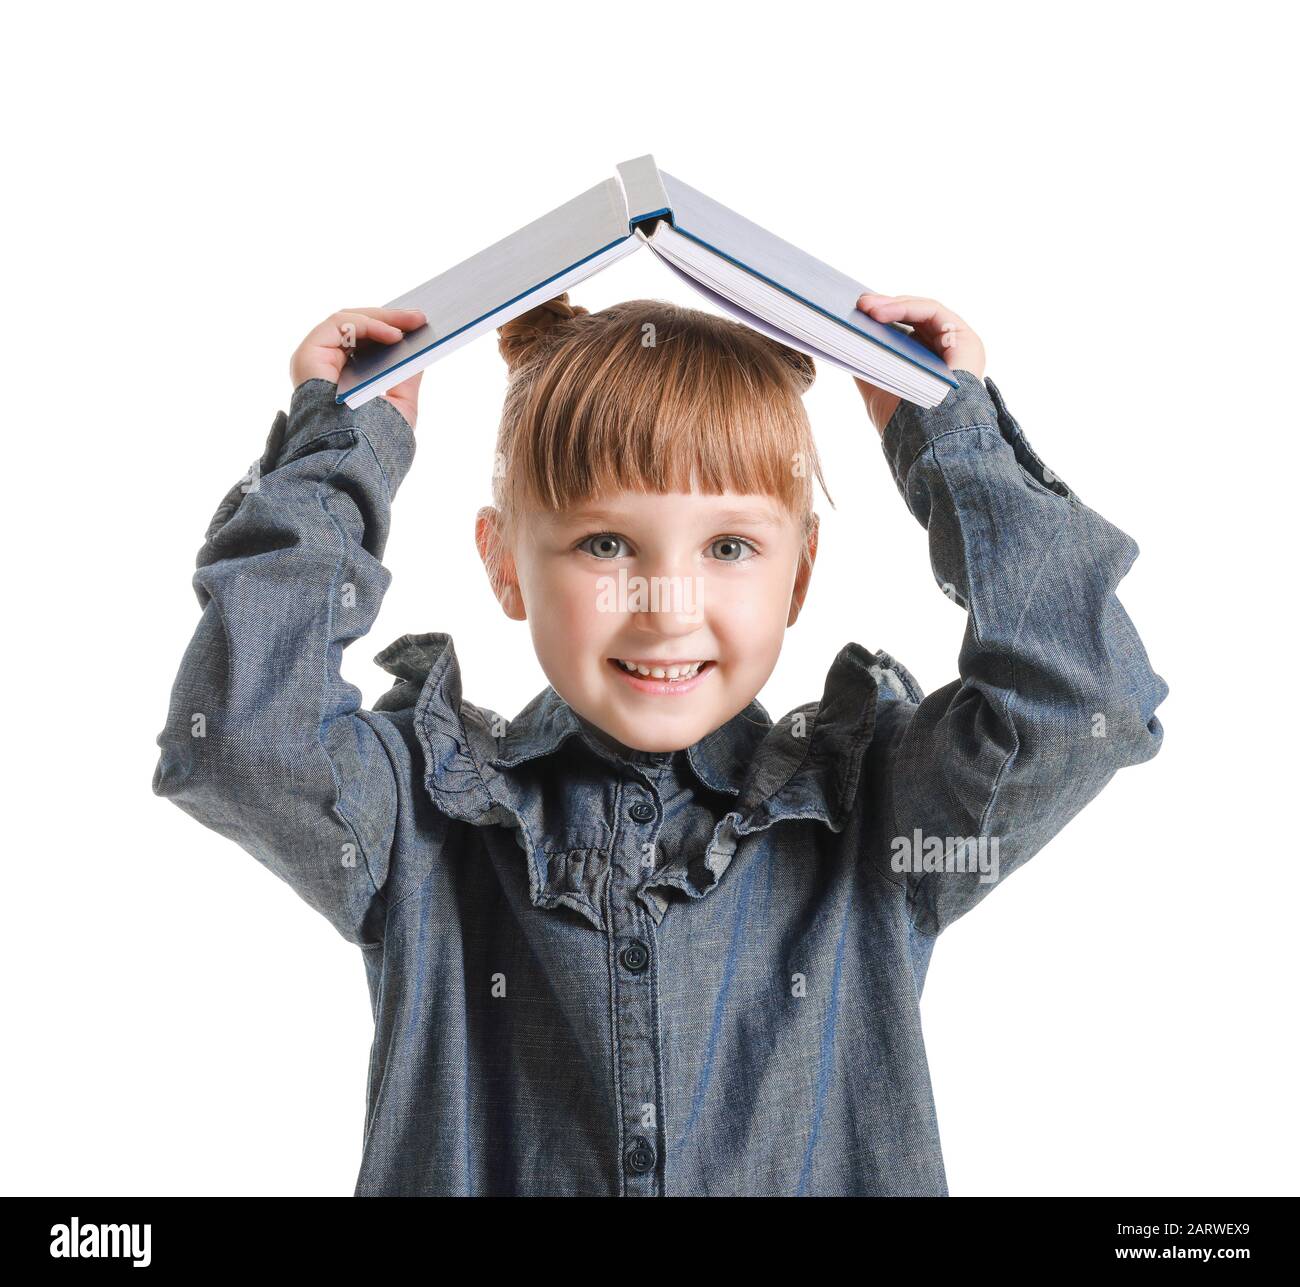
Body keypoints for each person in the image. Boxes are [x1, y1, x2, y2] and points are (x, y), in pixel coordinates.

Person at [153, 290, 1167, 1195]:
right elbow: (243, 740)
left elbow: (1082, 700)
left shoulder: (880, 809)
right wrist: (339, 452)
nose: (665, 607)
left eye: (728, 548)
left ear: (799, 574)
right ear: (504, 565)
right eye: (604, 544)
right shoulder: (419, 814)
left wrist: (954, 441)